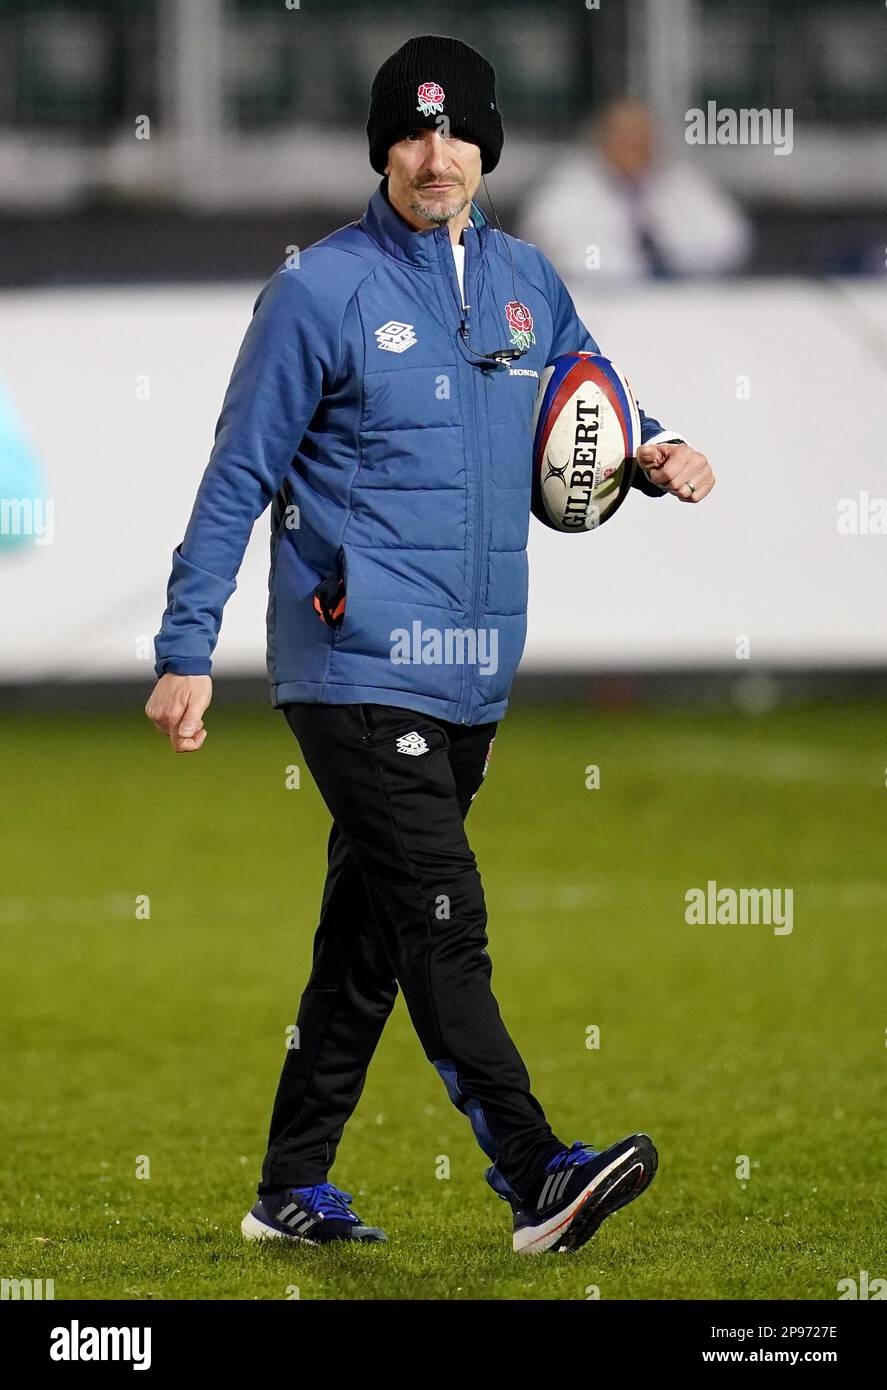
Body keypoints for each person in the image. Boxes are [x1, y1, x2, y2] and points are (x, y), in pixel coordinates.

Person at [145, 35, 715, 1256]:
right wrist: (186, 645)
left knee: (368, 942)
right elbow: (236, 472)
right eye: (410, 133)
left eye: (455, 134)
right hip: (348, 663)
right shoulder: (318, 290)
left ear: (486, 149)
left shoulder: (525, 281)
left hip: (473, 671)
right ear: (381, 148)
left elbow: (589, 400)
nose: (434, 155)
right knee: (444, 916)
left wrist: (656, 451)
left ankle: (287, 1190)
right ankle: (536, 1175)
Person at [520, 98, 750, 282]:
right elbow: (565, 254)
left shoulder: (682, 184)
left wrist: (674, 252)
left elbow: (730, 240)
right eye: (623, 135)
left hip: (684, 305)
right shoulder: (568, 190)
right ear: (603, 138)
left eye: (641, 135)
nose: (632, 144)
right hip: (599, 309)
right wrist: (629, 264)